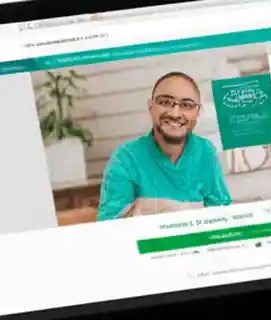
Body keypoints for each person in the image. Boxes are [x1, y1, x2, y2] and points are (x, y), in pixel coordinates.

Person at [97, 71, 232, 221]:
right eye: (165, 102)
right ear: (151, 106)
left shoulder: (206, 152)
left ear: (197, 112)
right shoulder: (125, 159)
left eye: (186, 105)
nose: (175, 113)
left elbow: (222, 213)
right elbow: (109, 227)